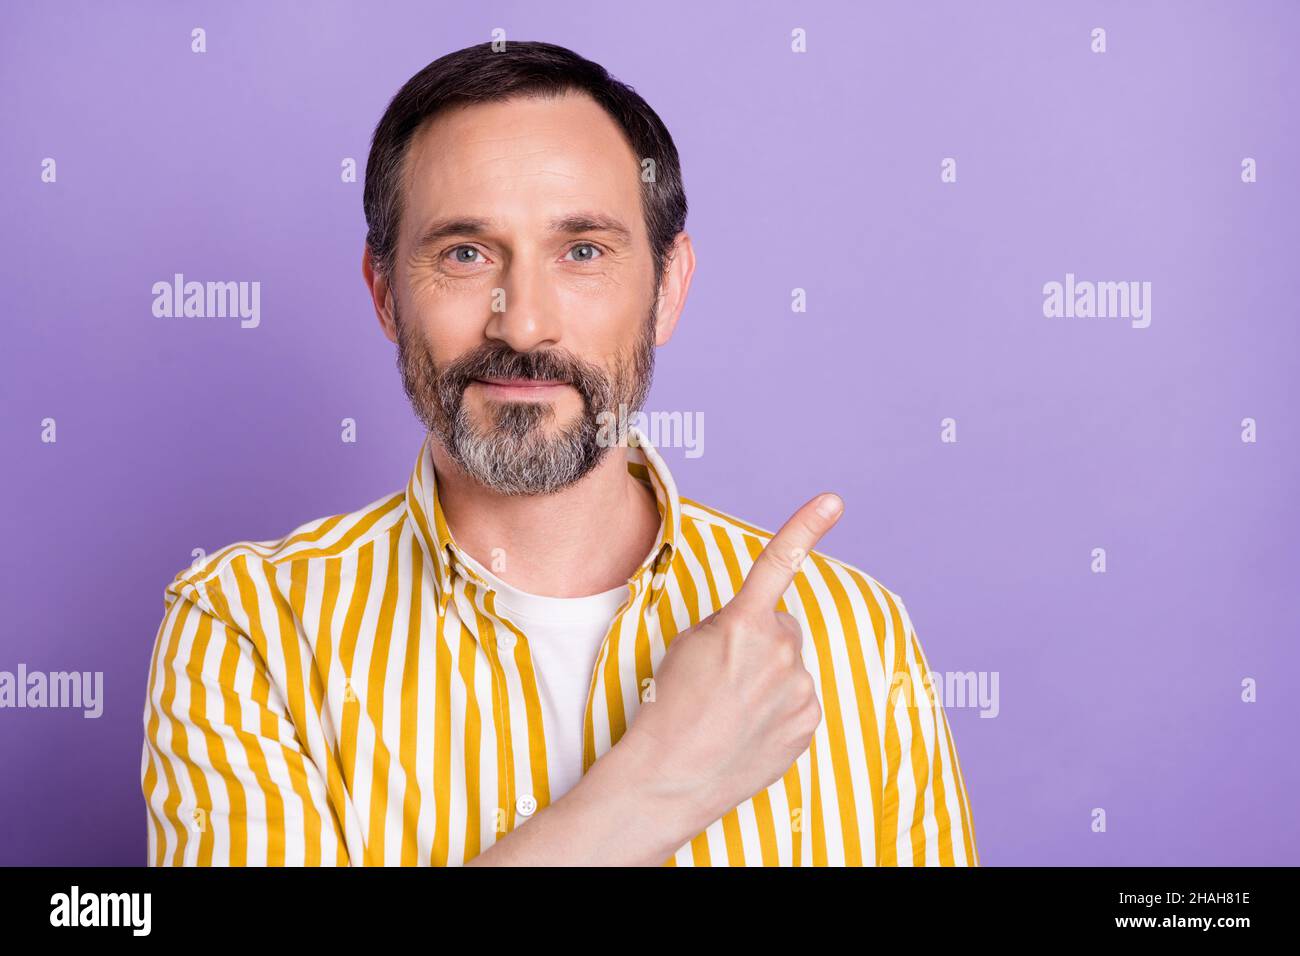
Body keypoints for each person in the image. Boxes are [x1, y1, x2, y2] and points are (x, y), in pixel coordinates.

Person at [140, 40, 978, 867]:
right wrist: (665, 781)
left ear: (669, 289)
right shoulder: (248, 627)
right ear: (385, 295)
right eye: (465, 254)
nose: (523, 320)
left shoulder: (855, 634)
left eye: (582, 252)